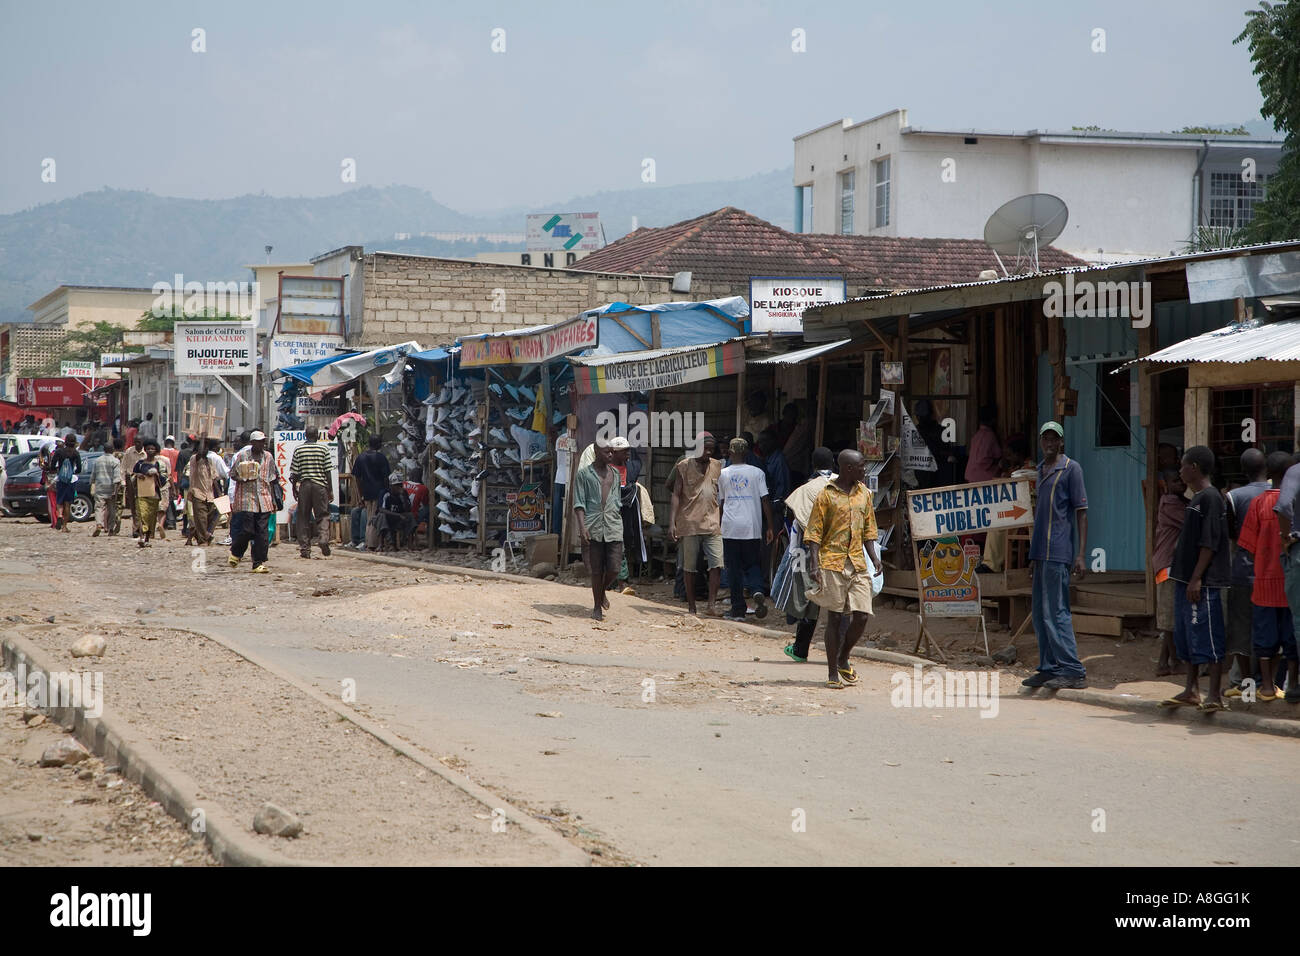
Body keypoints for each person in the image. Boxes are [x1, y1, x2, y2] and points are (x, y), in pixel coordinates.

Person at [804, 449, 881, 688]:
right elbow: (814, 533)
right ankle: (832, 674)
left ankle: (843, 657)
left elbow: (869, 530)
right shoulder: (825, 496)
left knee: (861, 615)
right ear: (848, 468)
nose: (864, 470)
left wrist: (874, 558)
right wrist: (815, 565)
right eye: (861, 467)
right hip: (832, 561)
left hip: (857, 562)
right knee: (835, 618)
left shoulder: (864, 495)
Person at [1162, 446, 1231, 711]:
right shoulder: (1197, 498)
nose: (1180, 471)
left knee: (1207, 635)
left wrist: (1196, 578)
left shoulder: (1211, 499)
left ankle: (1214, 694)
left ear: (1195, 468)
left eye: (1183, 466)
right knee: (1187, 635)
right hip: (1184, 580)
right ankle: (1191, 690)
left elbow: (1209, 543)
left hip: (1203, 583)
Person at [1023, 421, 1089, 691]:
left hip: (1059, 550)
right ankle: (1048, 667)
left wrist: (1081, 554)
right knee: (1040, 613)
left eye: (1054, 439)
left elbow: (1081, 512)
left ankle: (1073, 669)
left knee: (1056, 612)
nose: (1049, 443)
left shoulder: (1071, 468)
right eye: (1045, 439)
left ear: (1061, 442)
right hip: (1040, 552)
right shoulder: (1040, 470)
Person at [1237, 452, 1296, 702]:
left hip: (1263, 583)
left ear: (1269, 474)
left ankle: (1267, 687)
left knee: (1263, 637)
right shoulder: (1295, 502)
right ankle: (1292, 684)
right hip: (1291, 582)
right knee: (1292, 637)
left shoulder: (1259, 503)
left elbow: (1248, 545)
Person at [775, 446, 837, 663]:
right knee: (841, 603)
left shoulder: (806, 489)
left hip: (811, 552)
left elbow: (799, 524)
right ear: (834, 463)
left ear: (813, 464)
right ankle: (841, 654)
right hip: (841, 552)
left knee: (809, 599)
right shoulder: (847, 485)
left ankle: (801, 650)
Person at [1224, 448, 1271, 691]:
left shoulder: (1234, 496)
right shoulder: (1280, 494)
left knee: (1241, 629)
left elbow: (1230, 533)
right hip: (1272, 571)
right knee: (1270, 627)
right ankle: (1269, 681)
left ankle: (1245, 682)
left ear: (1243, 471)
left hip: (1243, 570)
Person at [718, 437, 775, 622]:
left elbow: (722, 502)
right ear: (746, 452)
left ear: (731, 452)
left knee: (734, 569)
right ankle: (757, 589)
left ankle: (738, 610)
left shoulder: (723, 473)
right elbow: (765, 500)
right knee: (752, 564)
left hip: (731, 527)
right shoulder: (757, 472)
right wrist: (770, 526)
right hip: (752, 527)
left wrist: (719, 524)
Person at [667, 433, 724, 616]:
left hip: (712, 523)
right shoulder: (683, 466)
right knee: (689, 567)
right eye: (705, 448)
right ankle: (692, 607)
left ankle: (711, 606)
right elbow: (675, 493)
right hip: (689, 523)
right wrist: (672, 523)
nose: (708, 452)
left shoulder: (717, 466)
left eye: (711, 449)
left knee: (716, 564)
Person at [572, 439, 624, 620]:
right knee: (596, 570)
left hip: (613, 525)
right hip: (593, 525)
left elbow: (616, 499)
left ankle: (601, 592)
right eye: (606, 452)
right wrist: (582, 527)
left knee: (615, 569)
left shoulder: (615, 474)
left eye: (612, 451)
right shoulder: (584, 475)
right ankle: (596, 607)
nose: (610, 455)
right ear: (596, 452)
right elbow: (578, 504)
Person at [1152, 469, 1188, 677]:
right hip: (1167, 565)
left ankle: (1163, 663)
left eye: (1181, 480)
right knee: (1169, 620)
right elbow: (1191, 522)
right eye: (1175, 481)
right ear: (1166, 484)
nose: (1180, 484)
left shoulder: (1179, 501)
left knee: (1171, 617)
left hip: (1170, 564)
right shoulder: (1171, 503)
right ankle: (1173, 661)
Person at [227, 430, 278, 573]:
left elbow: (272, 478)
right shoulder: (243, 456)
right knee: (248, 530)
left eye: (263, 441)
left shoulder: (268, 457)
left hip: (264, 498)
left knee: (262, 533)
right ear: (252, 443)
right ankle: (236, 553)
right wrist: (243, 478)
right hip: (247, 499)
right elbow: (232, 474)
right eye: (259, 441)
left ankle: (258, 562)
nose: (262, 444)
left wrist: (274, 499)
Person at [290, 426, 334, 558]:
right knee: (323, 515)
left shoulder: (299, 449)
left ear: (305, 435)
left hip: (305, 485)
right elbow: (328, 471)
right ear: (317, 436)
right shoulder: (324, 449)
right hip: (320, 486)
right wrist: (330, 489)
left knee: (303, 517)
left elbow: (295, 473)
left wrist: (294, 489)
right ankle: (323, 539)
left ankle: (305, 549)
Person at [352, 435, 390, 552]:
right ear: (379, 444)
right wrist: (386, 491)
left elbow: (357, 477)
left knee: (369, 515)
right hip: (379, 491)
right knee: (374, 517)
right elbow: (386, 478)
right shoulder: (381, 458)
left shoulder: (361, 457)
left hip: (366, 491)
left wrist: (360, 492)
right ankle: (371, 543)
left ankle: (368, 542)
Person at [186, 439, 224, 546]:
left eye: (207, 448)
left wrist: (219, 493)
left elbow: (214, 478)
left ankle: (202, 535)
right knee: (201, 518)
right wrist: (202, 437)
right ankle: (202, 540)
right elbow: (200, 454)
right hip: (198, 493)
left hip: (209, 494)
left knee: (211, 517)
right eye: (203, 447)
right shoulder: (194, 459)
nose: (205, 450)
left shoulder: (209, 461)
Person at [131, 439, 166, 548]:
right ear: (145, 450)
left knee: (151, 517)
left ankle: (147, 538)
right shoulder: (140, 463)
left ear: (156, 451)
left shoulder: (159, 464)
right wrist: (138, 476)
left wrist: (156, 475)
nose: (150, 451)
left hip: (154, 494)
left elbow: (164, 480)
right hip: (141, 494)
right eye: (148, 449)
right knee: (142, 515)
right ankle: (141, 537)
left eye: (152, 449)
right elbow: (132, 475)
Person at [47, 434, 82, 533]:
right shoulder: (75, 453)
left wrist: (57, 470)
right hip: (71, 480)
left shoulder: (59, 451)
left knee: (59, 501)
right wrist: (73, 471)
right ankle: (65, 527)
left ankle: (59, 515)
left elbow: (52, 465)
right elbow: (79, 468)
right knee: (67, 503)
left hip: (61, 479)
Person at [90, 437, 124, 537]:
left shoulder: (97, 460)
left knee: (99, 508)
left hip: (100, 487)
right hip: (111, 488)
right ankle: (110, 529)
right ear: (112, 450)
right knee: (112, 509)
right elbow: (117, 477)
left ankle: (99, 524)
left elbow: (93, 475)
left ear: (103, 450)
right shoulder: (115, 461)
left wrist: (92, 484)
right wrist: (115, 489)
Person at [376, 474, 414, 551]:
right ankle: (382, 544)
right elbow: (381, 509)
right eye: (397, 485)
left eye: (400, 485)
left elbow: (408, 509)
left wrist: (403, 497)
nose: (399, 487)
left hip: (398, 518)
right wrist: (397, 515)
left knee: (410, 516)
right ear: (391, 486)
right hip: (386, 517)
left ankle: (410, 544)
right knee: (382, 516)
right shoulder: (385, 493)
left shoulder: (403, 493)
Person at [965, 405, 1002, 483]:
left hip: (970, 475)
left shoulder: (976, 435)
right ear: (993, 420)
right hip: (983, 477)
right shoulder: (991, 435)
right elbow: (998, 455)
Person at [121, 434, 145, 538]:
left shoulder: (146, 453)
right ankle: (135, 528)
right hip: (131, 481)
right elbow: (123, 467)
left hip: (143, 482)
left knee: (142, 505)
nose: (137, 444)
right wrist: (123, 483)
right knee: (133, 506)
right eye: (135, 442)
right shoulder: (129, 451)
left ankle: (142, 528)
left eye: (139, 442)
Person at [159, 436, 180, 531]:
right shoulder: (177, 453)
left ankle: (168, 521)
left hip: (164, 480)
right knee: (172, 501)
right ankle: (171, 520)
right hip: (175, 479)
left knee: (164, 501)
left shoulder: (160, 453)